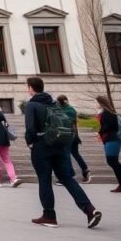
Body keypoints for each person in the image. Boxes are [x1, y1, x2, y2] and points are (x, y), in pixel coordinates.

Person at [24, 77, 101, 228]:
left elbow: (30, 128)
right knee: (67, 178)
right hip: (60, 144)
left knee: (44, 179)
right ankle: (89, 210)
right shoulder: (54, 103)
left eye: (27, 87)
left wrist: (30, 143)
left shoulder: (31, 105)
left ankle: (49, 215)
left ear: (31, 88)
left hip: (42, 145)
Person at [56, 95, 92, 183]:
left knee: (66, 155)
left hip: (67, 136)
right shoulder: (72, 110)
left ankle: (70, 174)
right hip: (74, 135)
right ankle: (85, 170)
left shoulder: (61, 111)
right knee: (76, 154)